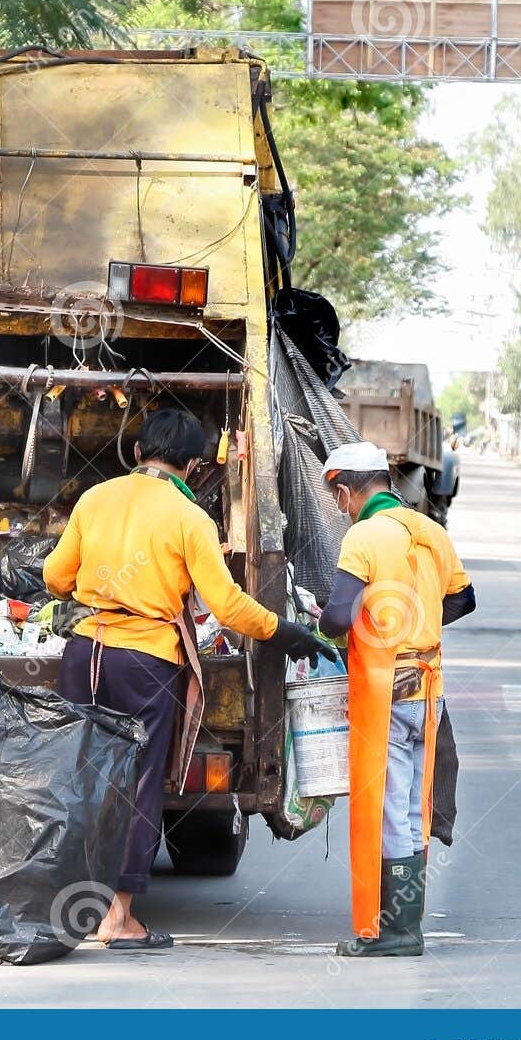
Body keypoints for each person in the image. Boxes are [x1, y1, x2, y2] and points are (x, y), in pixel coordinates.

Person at [43, 408, 336, 950]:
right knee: (136, 784)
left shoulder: (94, 499)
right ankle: (117, 918)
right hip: (146, 664)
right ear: (196, 467)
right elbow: (226, 605)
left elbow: (56, 576)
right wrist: (285, 632)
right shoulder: (191, 518)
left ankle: (59, 898)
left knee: (78, 776)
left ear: (136, 453)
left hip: (83, 654)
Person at [317, 441, 476, 958]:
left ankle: (391, 933)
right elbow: (464, 598)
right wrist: (417, 621)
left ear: (345, 491)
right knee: (411, 812)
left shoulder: (363, 537)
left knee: (387, 811)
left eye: (336, 498)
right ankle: (407, 928)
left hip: (385, 692)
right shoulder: (431, 529)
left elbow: (338, 619)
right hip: (428, 691)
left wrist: (325, 626)